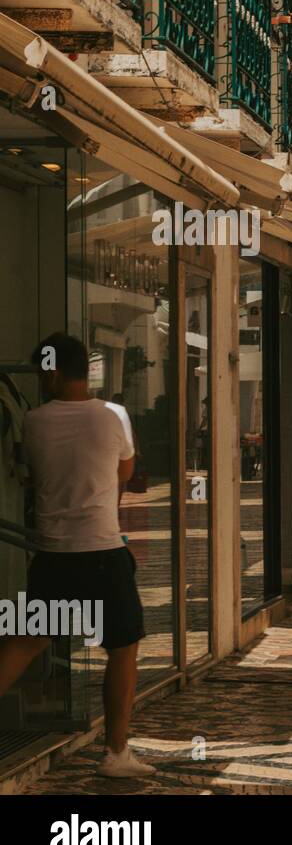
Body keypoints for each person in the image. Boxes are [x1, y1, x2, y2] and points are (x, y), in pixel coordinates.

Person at [0, 333, 154, 778]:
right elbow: (125, 470)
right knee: (123, 649)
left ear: (52, 372)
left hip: (52, 555)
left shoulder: (34, 421)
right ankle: (116, 753)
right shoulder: (114, 416)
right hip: (103, 552)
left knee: (28, 641)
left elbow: (30, 471)